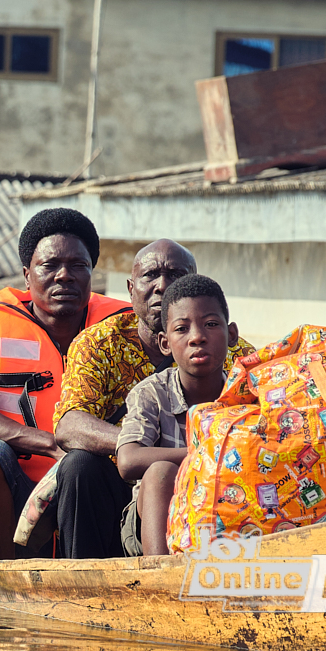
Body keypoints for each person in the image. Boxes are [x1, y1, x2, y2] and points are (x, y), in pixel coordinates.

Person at [0, 208, 130, 560]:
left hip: (92, 485)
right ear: (27, 275)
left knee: (83, 465)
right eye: (50, 266)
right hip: (17, 487)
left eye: (79, 266)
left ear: (92, 274)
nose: (65, 277)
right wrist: (50, 444)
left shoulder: (119, 329)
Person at [51, 239, 195, 558]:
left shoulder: (228, 348)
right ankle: (83, 587)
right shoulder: (98, 344)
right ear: (131, 289)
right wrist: (142, 448)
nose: (162, 286)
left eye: (176, 275)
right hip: (118, 488)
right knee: (79, 465)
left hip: (203, 483)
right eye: (150, 275)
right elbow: (69, 425)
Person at [116, 274, 238, 555]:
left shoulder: (245, 395)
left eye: (210, 325)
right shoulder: (152, 393)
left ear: (231, 334)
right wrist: (206, 453)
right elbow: (128, 459)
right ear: (165, 343)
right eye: (182, 329)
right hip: (157, 524)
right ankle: (160, 580)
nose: (197, 337)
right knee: (161, 472)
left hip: (228, 514)